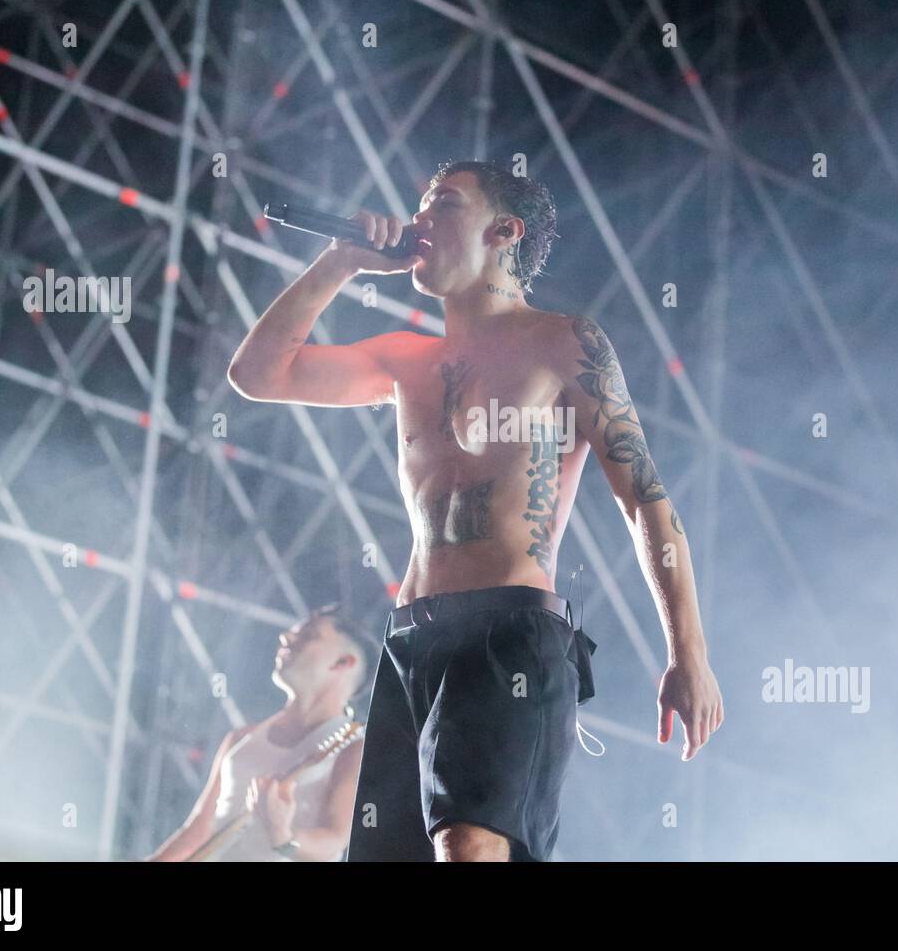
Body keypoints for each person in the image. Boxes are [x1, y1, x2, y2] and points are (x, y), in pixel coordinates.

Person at [227, 160, 723, 861]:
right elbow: (257, 375)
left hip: (508, 632)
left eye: (443, 207)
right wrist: (341, 262)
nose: (419, 222)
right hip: (412, 640)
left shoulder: (563, 343)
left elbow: (645, 499)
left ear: (503, 231)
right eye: (420, 209)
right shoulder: (406, 358)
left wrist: (687, 654)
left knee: (469, 842)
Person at [147, 605, 367, 861]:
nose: (285, 638)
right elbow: (198, 829)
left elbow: (334, 841)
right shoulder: (240, 739)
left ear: (343, 662)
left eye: (308, 636)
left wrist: (283, 835)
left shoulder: (354, 748)